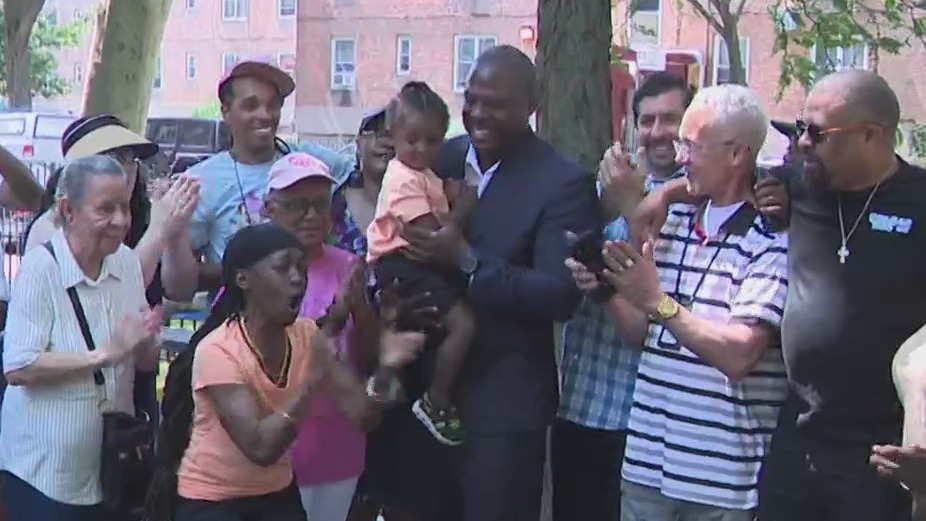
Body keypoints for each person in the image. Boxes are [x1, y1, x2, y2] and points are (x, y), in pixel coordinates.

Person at [632, 69, 924, 521]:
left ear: (871, 135)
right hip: (797, 436)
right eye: (800, 128)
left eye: (817, 133)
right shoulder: (801, 182)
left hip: (880, 448)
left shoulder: (919, 201)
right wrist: (664, 196)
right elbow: (725, 171)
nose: (802, 143)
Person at [389, 44, 600, 521]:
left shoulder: (562, 182)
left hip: (503, 409)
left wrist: (467, 262)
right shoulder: (437, 157)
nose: (479, 114)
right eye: (472, 100)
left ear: (531, 105)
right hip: (422, 394)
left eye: (496, 104)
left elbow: (559, 294)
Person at [567, 85, 789, 520]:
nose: (680, 156)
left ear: (736, 154)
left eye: (692, 146)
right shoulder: (672, 220)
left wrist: (656, 299)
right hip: (646, 468)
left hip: (720, 483)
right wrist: (605, 287)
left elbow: (739, 355)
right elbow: (642, 333)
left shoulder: (772, 238)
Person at [144, 222, 431, 521]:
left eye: (301, 268)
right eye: (283, 268)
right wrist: (310, 383)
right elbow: (260, 448)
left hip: (277, 493)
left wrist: (386, 367)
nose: (297, 278)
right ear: (243, 279)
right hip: (214, 500)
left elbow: (363, 415)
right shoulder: (218, 350)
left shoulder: (307, 336)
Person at [554, 72, 692, 521]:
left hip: (640, 419)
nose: (657, 132)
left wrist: (631, 209)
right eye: (647, 121)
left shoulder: (699, 194)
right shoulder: (612, 183)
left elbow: (648, 305)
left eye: (670, 119)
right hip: (580, 400)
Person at [0, 155, 164, 520]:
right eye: (105, 209)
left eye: (125, 207)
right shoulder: (41, 268)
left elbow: (143, 362)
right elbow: (19, 366)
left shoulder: (126, 263)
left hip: (109, 466)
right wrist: (102, 355)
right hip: (45, 474)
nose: (120, 220)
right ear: (67, 211)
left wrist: (146, 340)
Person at [261, 152, 379, 521]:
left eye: (319, 204)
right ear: (270, 209)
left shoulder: (349, 266)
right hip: (272, 446)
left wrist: (360, 308)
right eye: (298, 205)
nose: (311, 216)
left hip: (337, 445)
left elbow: (368, 356)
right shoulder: (252, 266)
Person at [186, 58, 353, 293]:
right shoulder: (200, 182)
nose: (265, 115)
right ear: (226, 111)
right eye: (250, 105)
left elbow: (360, 178)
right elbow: (184, 277)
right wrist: (249, 273)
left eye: (272, 105)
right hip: (239, 311)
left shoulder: (311, 159)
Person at [368, 81, 475, 446]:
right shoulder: (401, 179)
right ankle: (437, 400)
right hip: (400, 263)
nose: (422, 149)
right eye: (412, 139)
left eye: (432, 141)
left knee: (427, 327)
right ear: (392, 136)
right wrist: (462, 211)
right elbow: (433, 236)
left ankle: (396, 381)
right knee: (463, 325)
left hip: (411, 263)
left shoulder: (423, 175)